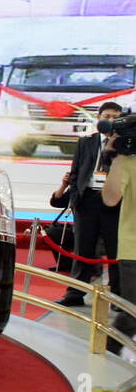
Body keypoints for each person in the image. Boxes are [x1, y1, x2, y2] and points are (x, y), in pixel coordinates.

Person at [54, 102, 123, 311]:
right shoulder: (86, 142)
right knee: (82, 248)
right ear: (99, 117)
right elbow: (76, 170)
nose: (110, 120)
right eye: (108, 116)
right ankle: (75, 292)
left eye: (115, 117)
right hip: (87, 200)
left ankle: (117, 298)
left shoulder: (125, 145)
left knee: (115, 251)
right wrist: (75, 195)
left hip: (115, 201)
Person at [100, 125, 136, 353]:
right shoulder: (128, 161)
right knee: (132, 314)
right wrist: (116, 157)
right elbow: (111, 199)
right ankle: (107, 357)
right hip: (134, 250)